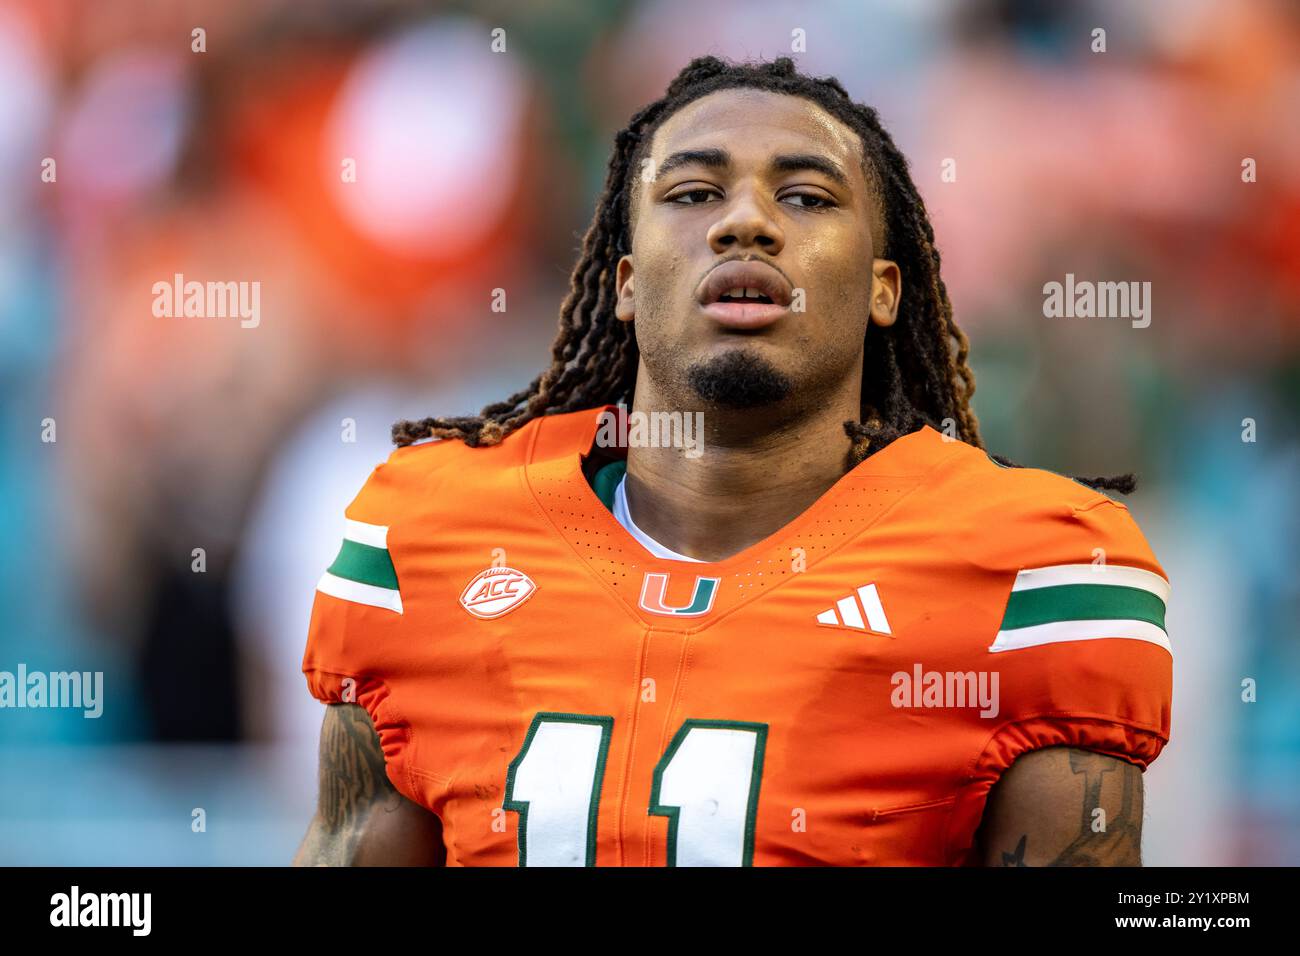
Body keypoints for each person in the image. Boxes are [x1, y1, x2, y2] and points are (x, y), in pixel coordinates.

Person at [294, 57, 1170, 867]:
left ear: (883, 287)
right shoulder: (429, 534)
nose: (744, 221)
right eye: (693, 191)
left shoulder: (1033, 565)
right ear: (626, 282)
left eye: (807, 197)